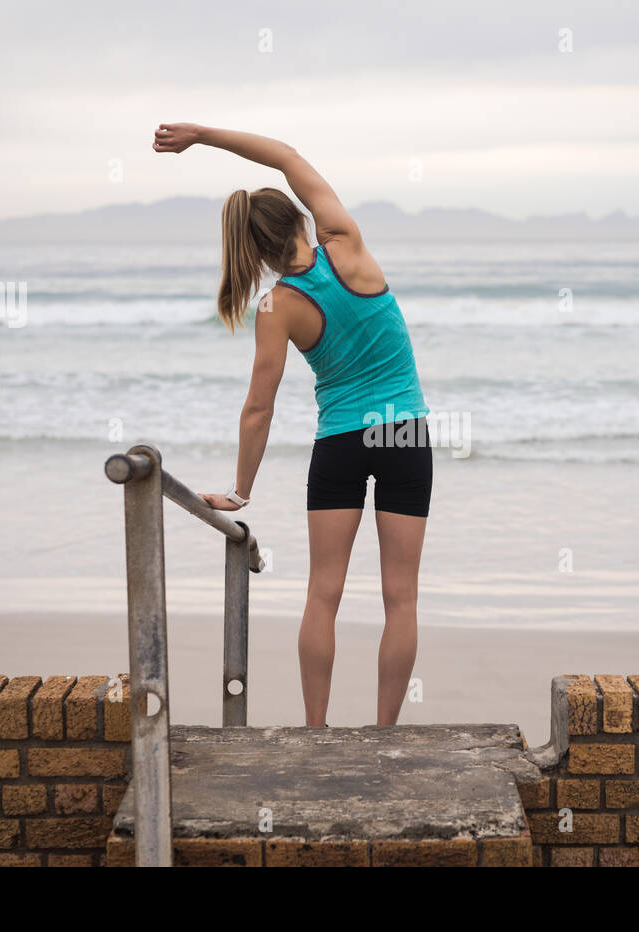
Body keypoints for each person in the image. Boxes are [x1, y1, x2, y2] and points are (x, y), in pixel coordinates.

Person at [153, 122, 432, 727]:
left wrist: (241, 489)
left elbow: (260, 405)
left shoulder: (276, 307)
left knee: (323, 594)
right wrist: (202, 135)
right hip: (405, 433)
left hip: (341, 442)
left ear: (253, 251)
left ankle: (316, 732)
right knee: (400, 597)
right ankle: (385, 733)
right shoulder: (345, 240)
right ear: (300, 220)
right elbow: (285, 156)